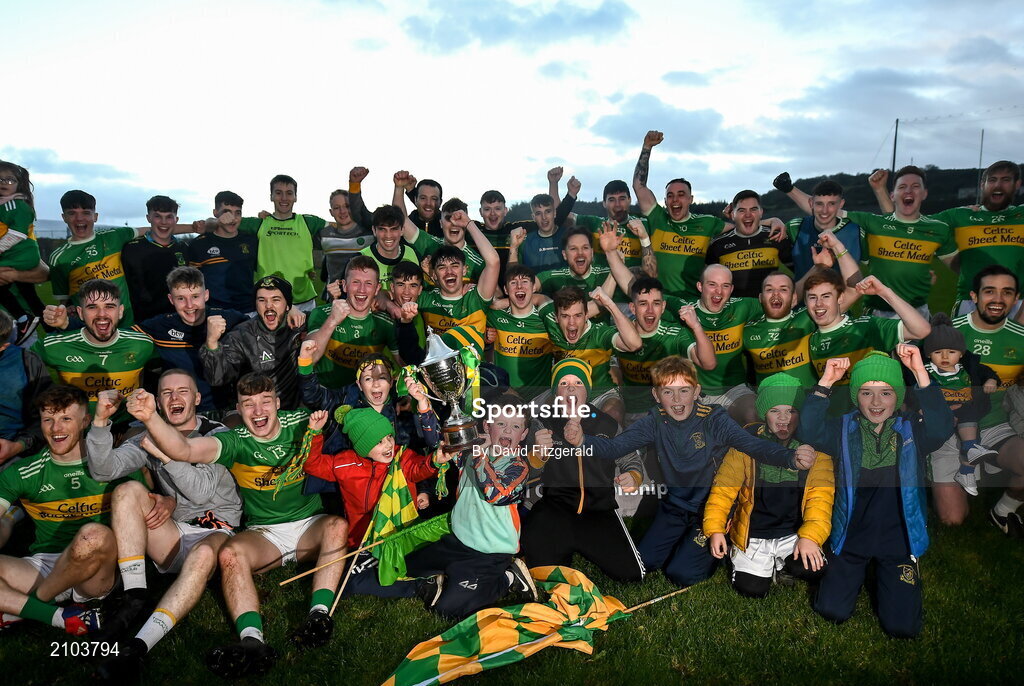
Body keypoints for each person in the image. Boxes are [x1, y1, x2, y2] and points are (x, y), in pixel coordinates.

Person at [125, 374, 348, 678]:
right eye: (248, 404)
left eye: (265, 401)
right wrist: (150, 417)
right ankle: (252, 640)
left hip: (310, 525)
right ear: (239, 410)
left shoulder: (301, 422)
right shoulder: (236, 441)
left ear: (278, 404)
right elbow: (185, 451)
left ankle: (318, 616)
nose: (258, 411)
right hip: (265, 534)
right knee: (229, 554)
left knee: (337, 525)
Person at [564, 356, 817, 589]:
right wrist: (582, 441)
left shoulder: (713, 419)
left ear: (696, 392)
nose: (676, 400)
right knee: (644, 563)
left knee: (681, 574)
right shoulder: (654, 420)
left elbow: (753, 446)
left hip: (709, 510)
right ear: (656, 395)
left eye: (684, 391)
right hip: (674, 506)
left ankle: (720, 545)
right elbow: (614, 447)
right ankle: (682, 543)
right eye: (668, 392)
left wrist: (790, 458)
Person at [87, 372, 242, 679]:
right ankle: (134, 596)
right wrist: (100, 423)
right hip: (175, 532)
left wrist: (161, 455)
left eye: (183, 391)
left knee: (202, 556)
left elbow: (200, 493)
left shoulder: (217, 433)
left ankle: (138, 648)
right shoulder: (149, 432)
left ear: (197, 399)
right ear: (157, 402)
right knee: (125, 492)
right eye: (167, 393)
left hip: (217, 532)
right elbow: (104, 470)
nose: (175, 398)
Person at [801, 348, 954, 638]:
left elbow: (942, 426)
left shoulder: (911, 429)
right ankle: (856, 572)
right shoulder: (843, 429)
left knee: (902, 627)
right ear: (855, 396)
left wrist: (920, 372)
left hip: (896, 537)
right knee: (831, 611)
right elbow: (809, 431)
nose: (875, 402)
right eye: (866, 393)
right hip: (851, 535)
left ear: (897, 396)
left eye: (886, 393)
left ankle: (891, 573)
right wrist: (826, 382)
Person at [0, 386, 124, 635]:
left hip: (95, 572)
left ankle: (24, 608)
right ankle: (59, 617)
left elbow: (145, 505)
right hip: (45, 565)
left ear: (85, 421)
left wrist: (166, 503)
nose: (56, 429)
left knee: (94, 534)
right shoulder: (24, 472)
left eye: (66, 418)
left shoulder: (115, 463)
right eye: (49, 420)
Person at [402, 394, 537, 619]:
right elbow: (438, 442)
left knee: (448, 610)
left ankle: (509, 577)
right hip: (458, 541)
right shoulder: (471, 452)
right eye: (501, 424)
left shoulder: (518, 466)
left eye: (515, 426)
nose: (507, 431)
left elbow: (494, 494)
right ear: (487, 426)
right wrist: (425, 409)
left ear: (522, 434)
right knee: (408, 568)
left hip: (490, 553)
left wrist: (476, 451)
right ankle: (446, 578)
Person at [704, 373, 834, 598]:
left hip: (791, 534)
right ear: (764, 413)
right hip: (753, 534)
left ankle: (783, 564)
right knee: (751, 589)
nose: (784, 418)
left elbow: (820, 502)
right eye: (775, 410)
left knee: (813, 569)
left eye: (791, 411)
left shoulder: (816, 452)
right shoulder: (744, 446)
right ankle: (754, 563)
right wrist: (715, 529)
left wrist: (810, 537)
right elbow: (722, 492)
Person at [521, 359, 645, 581]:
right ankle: (560, 545)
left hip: (599, 510)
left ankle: (583, 543)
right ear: (555, 391)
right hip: (555, 508)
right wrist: (537, 456)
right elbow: (525, 473)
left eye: (578, 382)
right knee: (540, 573)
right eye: (564, 383)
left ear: (587, 391)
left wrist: (633, 477)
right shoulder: (543, 422)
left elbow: (630, 460)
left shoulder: (606, 423)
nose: (570, 387)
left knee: (632, 575)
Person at [302, 404, 444, 597]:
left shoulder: (401, 458)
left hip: (399, 536)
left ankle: (424, 581)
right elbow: (312, 464)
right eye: (378, 442)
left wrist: (435, 460)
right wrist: (315, 433)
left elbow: (419, 468)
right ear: (362, 445)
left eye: (389, 437)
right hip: (364, 544)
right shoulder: (345, 463)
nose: (388, 445)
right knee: (346, 583)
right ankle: (420, 584)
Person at [788, 166, 956, 318]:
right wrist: (773, 217)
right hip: (877, 312)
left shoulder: (938, 228)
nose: (909, 191)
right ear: (893, 195)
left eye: (916, 186)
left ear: (925, 193)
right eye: (902, 187)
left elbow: (959, 266)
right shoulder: (872, 222)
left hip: (918, 311)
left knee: (916, 350)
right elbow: (826, 210)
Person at [872, 161, 1024, 317]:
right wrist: (880, 190)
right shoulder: (960, 216)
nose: (998, 185)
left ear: (1017, 184)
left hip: (1017, 303)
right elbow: (905, 226)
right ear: (982, 185)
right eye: (992, 180)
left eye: (1006, 180)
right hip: (970, 302)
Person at [48, 190, 198, 327]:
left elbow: (156, 229)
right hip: (92, 326)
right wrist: (67, 307)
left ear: (95, 216)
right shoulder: (59, 258)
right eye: (72, 213)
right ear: (64, 217)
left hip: (129, 322)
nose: (79, 218)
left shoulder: (114, 236)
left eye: (86, 213)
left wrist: (195, 228)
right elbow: (64, 300)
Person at [949, 266, 1024, 533]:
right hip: (950, 426)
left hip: (994, 424)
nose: (997, 299)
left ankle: (1002, 511)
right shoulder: (951, 332)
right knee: (953, 518)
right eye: (989, 291)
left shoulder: (1021, 338)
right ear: (974, 295)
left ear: (1016, 299)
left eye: (1007, 293)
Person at [34, 279, 156, 422]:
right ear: (80, 312)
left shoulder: (142, 344)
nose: (101, 314)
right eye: (92, 307)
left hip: (125, 428)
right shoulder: (54, 346)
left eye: (109, 306)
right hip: (77, 433)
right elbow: (17, 362)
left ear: (121, 311)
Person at [133, 267, 249, 412]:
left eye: (195, 296)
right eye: (181, 298)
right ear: (171, 299)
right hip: (178, 411)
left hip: (224, 409)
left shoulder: (229, 319)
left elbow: (261, 329)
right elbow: (121, 339)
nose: (189, 305)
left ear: (206, 295)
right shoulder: (160, 326)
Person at [803, 271, 931, 399]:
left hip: (877, 414)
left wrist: (885, 292)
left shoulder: (867, 326)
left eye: (826, 296)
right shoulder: (812, 339)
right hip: (834, 418)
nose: (819, 303)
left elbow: (921, 330)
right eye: (812, 297)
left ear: (840, 298)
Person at [632, 131, 725, 299]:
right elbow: (639, 186)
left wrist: (772, 220)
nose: (675, 199)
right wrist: (647, 148)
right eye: (670, 196)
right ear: (665, 201)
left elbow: (742, 228)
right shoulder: (657, 217)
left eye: (681, 194)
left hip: (693, 303)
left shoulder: (708, 223)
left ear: (690, 199)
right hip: (660, 302)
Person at [917, 313, 1000, 499]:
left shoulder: (967, 368)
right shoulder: (925, 371)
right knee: (966, 427)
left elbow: (988, 373)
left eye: (951, 352)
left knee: (971, 425)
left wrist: (991, 380)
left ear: (961, 353)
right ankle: (966, 459)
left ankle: (966, 471)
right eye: (938, 352)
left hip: (966, 412)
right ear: (929, 354)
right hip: (941, 415)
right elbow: (914, 392)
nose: (945, 357)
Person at [541, 285, 642, 424]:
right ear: (556, 317)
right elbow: (538, 298)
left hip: (601, 394)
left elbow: (634, 344)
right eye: (565, 316)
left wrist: (609, 304)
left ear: (587, 314)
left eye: (578, 315)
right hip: (565, 393)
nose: (571, 324)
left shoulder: (599, 334)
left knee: (613, 414)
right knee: (541, 414)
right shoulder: (551, 324)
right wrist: (500, 303)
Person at [201, 275, 305, 409]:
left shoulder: (299, 324)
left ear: (287, 306)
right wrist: (212, 343)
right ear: (255, 304)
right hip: (256, 411)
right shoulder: (241, 335)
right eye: (262, 300)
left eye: (276, 300)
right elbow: (218, 378)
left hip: (294, 410)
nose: (268, 306)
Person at [235, 174, 331, 312]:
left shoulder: (309, 222)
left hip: (303, 300)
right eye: (278, 193)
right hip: (269, 299)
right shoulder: (260, 223)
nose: (284, 198)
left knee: (304, 334)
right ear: (271, 196)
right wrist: (198, 226)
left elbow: (342, 226)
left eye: (289, 193)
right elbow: (223, 223)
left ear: (296, 197)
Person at [303, 257, 397, 389]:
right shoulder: (322, 314)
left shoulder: (385, 323)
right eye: (356, 282)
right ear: (345, 286)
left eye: (369, 283)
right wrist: (332, 321)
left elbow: (403, 364)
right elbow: (309, 360)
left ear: (377, 289)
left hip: (365, 398)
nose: (361, 290)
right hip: (324, 395)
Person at [773, 175, 862, 284]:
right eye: (819, 204)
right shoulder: (795, 227)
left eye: (832, 204)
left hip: (841, 301)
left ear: (841, 204)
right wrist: (773, 220)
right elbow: (758, 230)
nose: (825, 211)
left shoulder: (855, 231)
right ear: (811, 203)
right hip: (802, 299)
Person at [706, 190, 794, 299]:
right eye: (742, 210)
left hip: (768, 307)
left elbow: (798, 272)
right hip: (734, 311)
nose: (748, 215)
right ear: (733, 215)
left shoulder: (776, 237)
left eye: (753, 209)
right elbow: (708, 283)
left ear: (761, 212)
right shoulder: (718, 244)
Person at [486, 264, 553, 397]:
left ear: (534, 287)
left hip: (541, 397)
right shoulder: (495, 316)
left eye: (524, 282)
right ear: (505, 289)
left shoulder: (546, 317)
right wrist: (485, 339)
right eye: (513, 283)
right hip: (506, 395)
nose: (519, 287)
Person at [187, 191, 259, 314]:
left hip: (249, 312)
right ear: (215, 212)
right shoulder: (199, 244)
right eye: (227, 212)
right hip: (215, 313)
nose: (232, 219)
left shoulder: (251, 240)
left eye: (237, 213)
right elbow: (192, 284)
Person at [122, 196, 190, 322]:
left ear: (176, 220)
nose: (163, 222)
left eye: (169, 217)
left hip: (178, 320)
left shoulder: (184, 248)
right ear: (148, 218)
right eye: (158, 216)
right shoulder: (131, 249)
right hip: (142, 322)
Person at [0, 160, 47, 343]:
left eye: (9, 180)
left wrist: (14, 274)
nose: (3, 184)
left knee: (29, 296)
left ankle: (25, 319)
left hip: (9, 322)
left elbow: (43, 272)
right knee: (33, 299)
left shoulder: (13, 207)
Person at [0, 310, 51, 466]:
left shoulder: (27, 362)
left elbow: (47, 416)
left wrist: (18, 446)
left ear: (4, 346)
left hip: (12, 452)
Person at [319, 167, 375, 290]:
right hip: (336, 298)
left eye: (347, 206)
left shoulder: (369, 233)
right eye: (337, 208)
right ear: (331, 212)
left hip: (364, 295)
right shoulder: (324, 235)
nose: (343, 211)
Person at [509, 186, 578, 273]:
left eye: (548, 211)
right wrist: (513, 247)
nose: (544, 217)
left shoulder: (570, 237)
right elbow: (512, 275)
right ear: (533, 217)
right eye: (538, 213)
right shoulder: (525, 242)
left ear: (555, 213)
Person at [358, 204, 419, 287]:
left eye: (394, 229)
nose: (388, 235)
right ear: (374, 230)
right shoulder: (361, 258)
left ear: (402, 230)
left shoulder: (411, 253)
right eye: (382, 229)